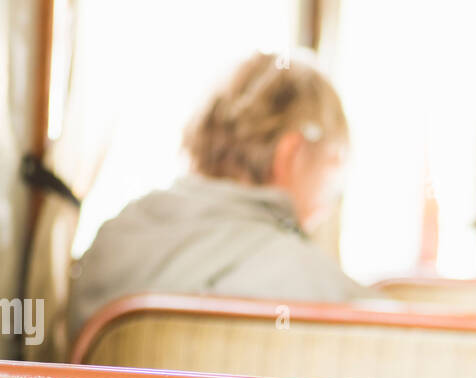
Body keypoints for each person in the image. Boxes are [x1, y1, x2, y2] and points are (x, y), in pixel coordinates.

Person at [67, 51, 364, 343]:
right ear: (291, 154)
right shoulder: (306, 281)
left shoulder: (113, 238)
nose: (336, 190)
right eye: (335, 160)